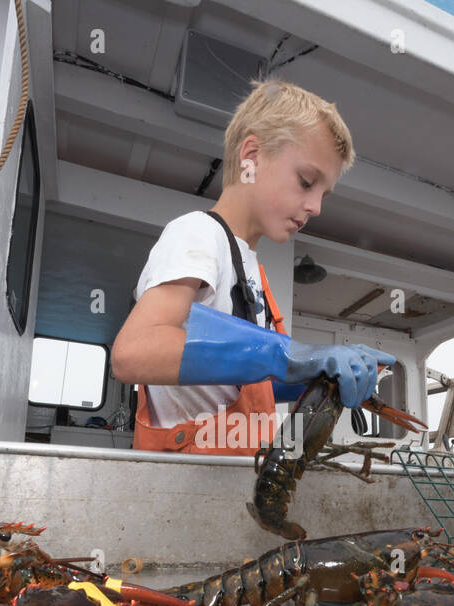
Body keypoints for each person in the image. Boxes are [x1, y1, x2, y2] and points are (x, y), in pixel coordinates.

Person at [111, 80, 394, 455]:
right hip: (182, 492)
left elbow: (237, 381)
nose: (316, 207)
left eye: (323, 194)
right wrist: (285, 355)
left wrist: (318, 370)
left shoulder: (251, 270)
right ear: (251, 156)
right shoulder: (197, 233)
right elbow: (133, 352)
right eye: (306, 182)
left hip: (235, 483)